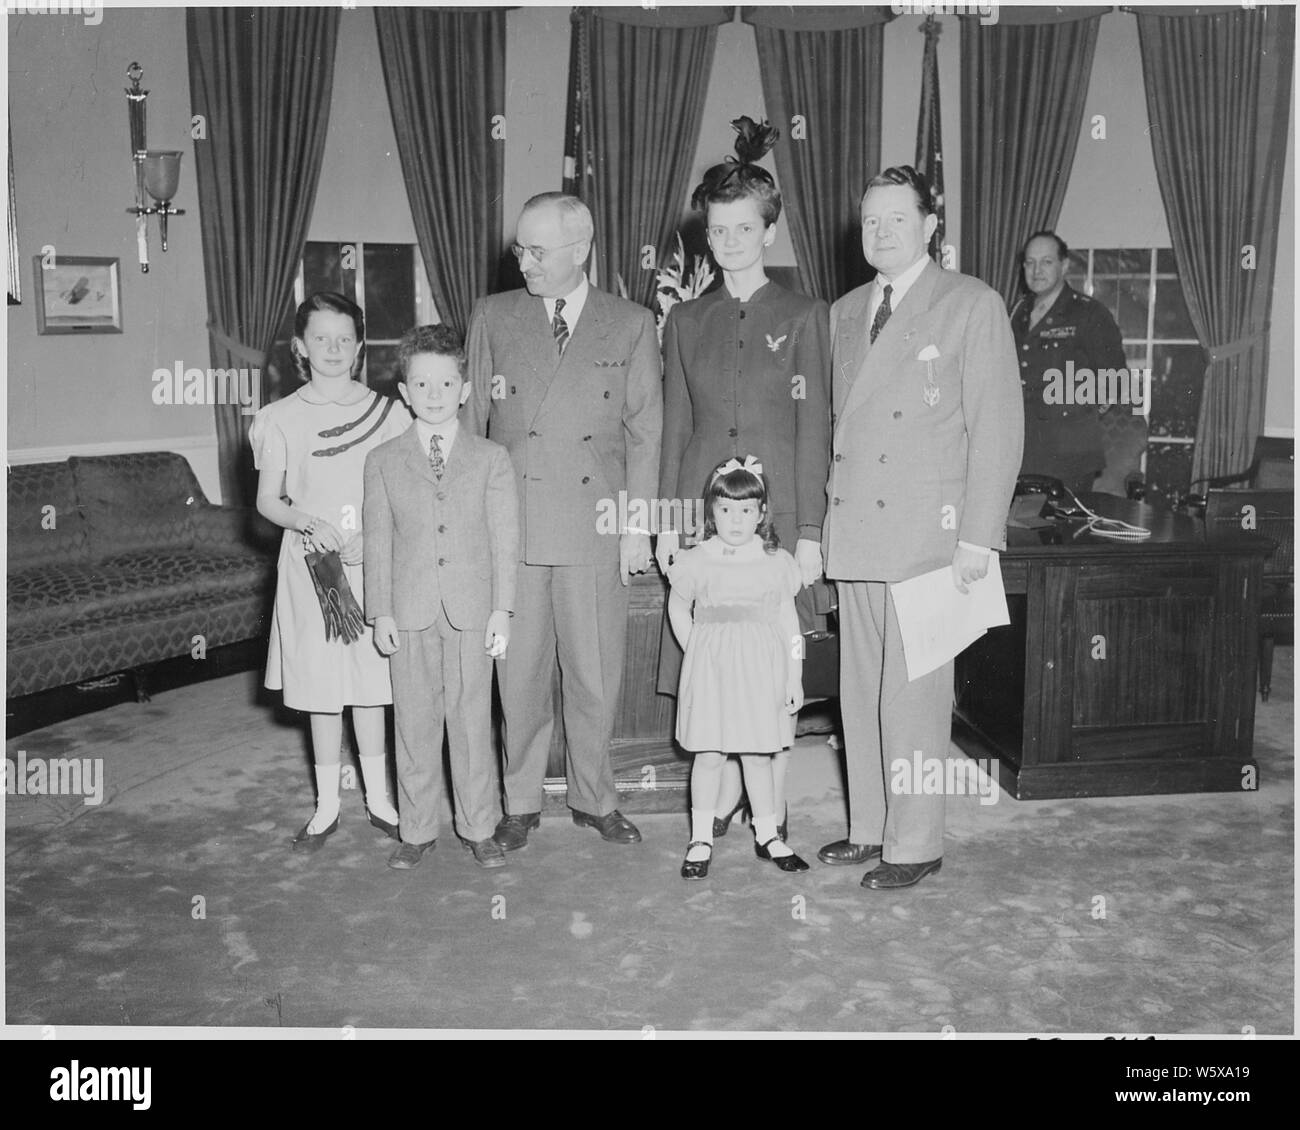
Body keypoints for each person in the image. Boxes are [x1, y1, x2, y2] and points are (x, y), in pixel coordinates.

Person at [820, 166, 1023, 889]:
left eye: (896, 219)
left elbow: (996, 429)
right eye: (870, 221)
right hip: (861, 533)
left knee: (915, 697)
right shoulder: (846, 310)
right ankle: (870, 826)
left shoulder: (971, 304)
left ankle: (915, 841)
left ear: (931, 226)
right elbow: (837, 431)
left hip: (930, 536)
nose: (880, 233)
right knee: (863, 689)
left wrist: (977, 537)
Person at [466, 192, 663, 851]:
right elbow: (470, 431)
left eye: (538, 251)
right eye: (520, 248)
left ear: (581, 250)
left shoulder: (631, 324)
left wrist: (637, 528)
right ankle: (518, 802)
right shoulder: (493, 316)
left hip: (595, 526)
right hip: (512, 529)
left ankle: (594, 797)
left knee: (594, 675)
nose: (524, 262)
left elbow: (646, 436)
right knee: (517, 676)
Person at [656, 117, 830, 844]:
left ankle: (769, 813)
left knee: (771, 662)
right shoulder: (685, 320)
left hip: (779, 515)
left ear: (768, 231)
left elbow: (816, 428)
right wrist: (667, 519)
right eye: (716, 230)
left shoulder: (803, 315)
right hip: (705, 516)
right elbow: (673, 426)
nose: (727, 242)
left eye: (741, 229)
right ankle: (720, 802)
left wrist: (813, 533)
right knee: (716, 657)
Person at [250, 291, 409, 851]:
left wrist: (375, 535)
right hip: (311, 565)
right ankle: (326, 805)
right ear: (300, 347)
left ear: (360, 346)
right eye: (321, 338)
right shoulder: (280, 418)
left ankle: (380, 798)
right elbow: (269, 501)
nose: (334, 349)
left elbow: (402, 492)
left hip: (370, 563)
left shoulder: (391, 415)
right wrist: (305, 521)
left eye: (345, 338)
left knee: (370, 684)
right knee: (321, 689)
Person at [363, 325, 519, 870]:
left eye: (446, 382)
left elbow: (505, 539)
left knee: (473, 721)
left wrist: (502, 609)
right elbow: (379, 540)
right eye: (421, 383)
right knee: (413, 722)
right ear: (404, 391)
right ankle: (417, 830)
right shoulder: (382, 460)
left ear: (465, 389)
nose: (434, 394)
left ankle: (480, 826)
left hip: (473, 612)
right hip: (407, 613)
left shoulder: (490, 458)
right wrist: (379, 611)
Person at [667, 456, 808, 880]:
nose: (736, 520)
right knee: (709, 755)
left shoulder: (775, 560)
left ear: (762, 513)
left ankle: (768, 833)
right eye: (726, 509)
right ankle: (700, 838)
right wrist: (696, 649)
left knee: (758, 755)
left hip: (761, 670)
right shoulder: (697, 559)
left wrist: (794, 675)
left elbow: (788, 621)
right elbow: (678, 606)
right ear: (711, 511)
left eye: (747, 510)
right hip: (712, 669)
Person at [1012, 230, 1128, 496]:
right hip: (1021, 449)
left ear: (1064, 266)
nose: (1036, 270)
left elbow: (1115, 381)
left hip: (1067, 455)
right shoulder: (1017, 312)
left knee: (1061, 532)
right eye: (1030, 263)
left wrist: (1074, 416)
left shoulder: (1089, 313)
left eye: (1046, 262)